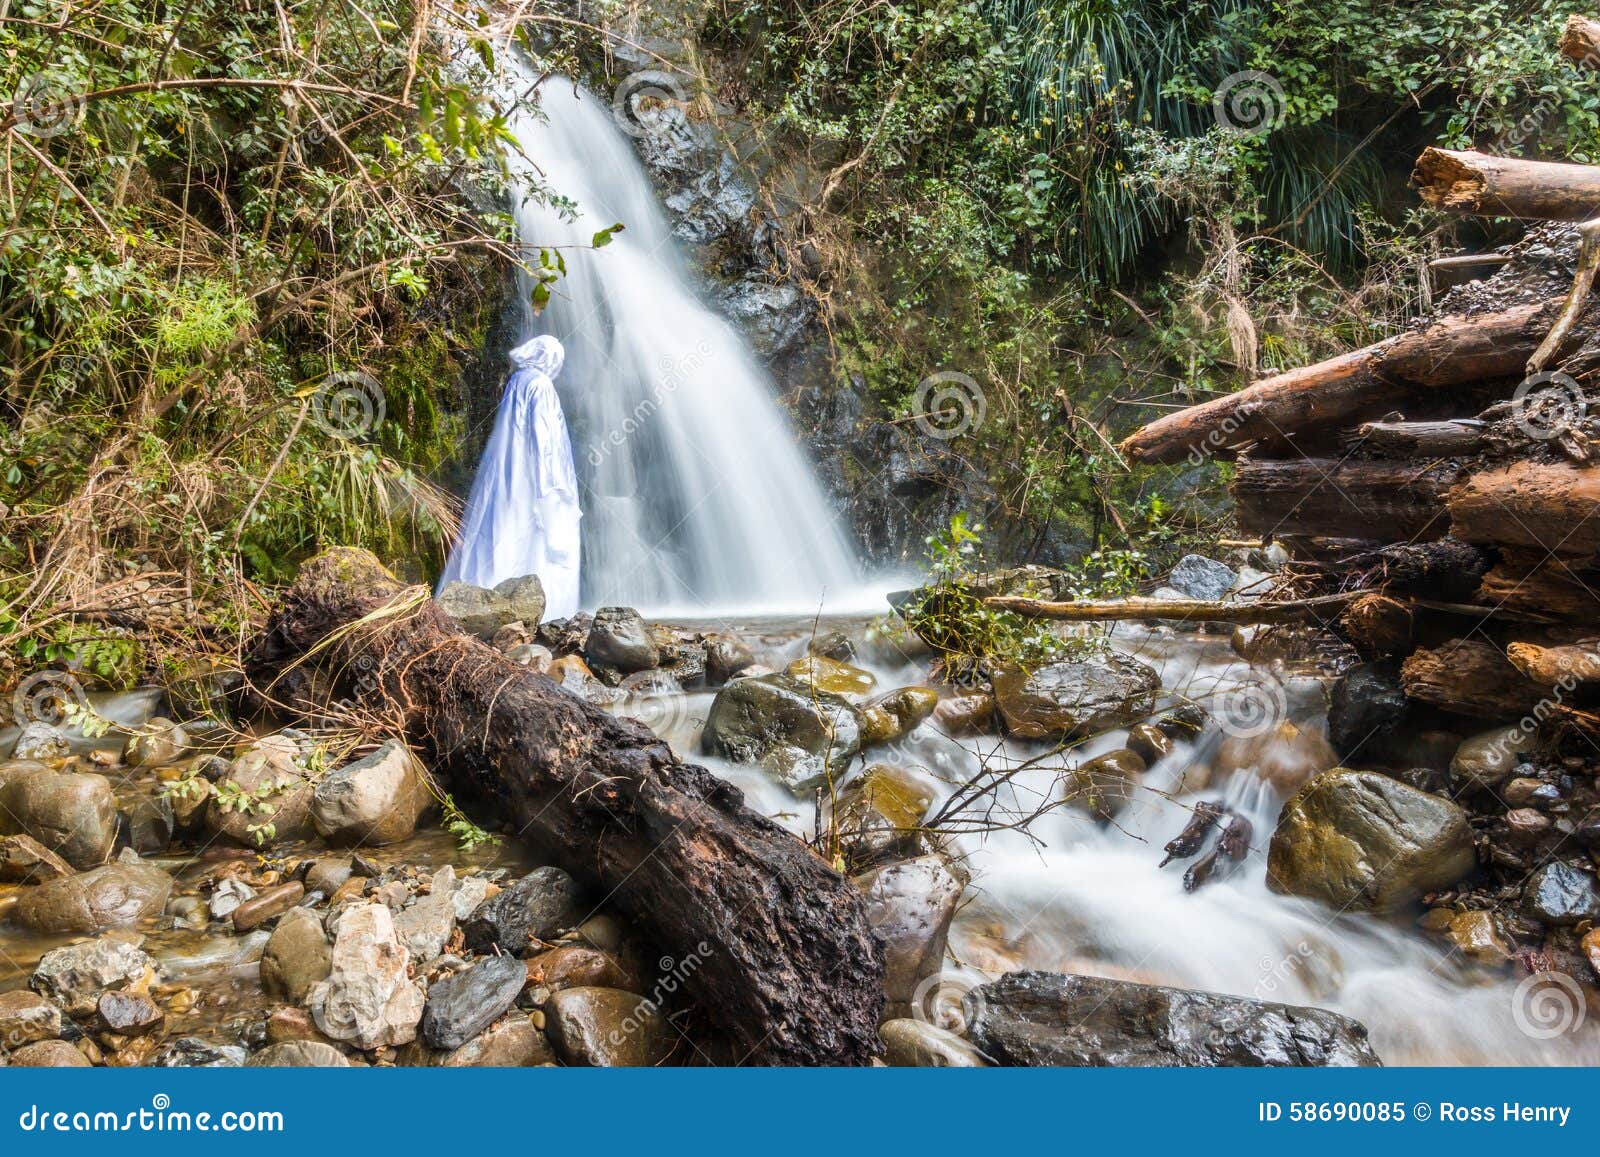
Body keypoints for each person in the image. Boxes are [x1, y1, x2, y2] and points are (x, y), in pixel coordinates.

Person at [438, 335, 581, 619]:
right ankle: (547, 610)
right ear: (549, 358)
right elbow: (544, 439)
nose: (559, 366)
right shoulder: (541, 385)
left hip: (505, 469)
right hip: (531, 474)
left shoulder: (518, 380)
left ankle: (482, 600)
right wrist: (551, 485)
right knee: (532, 531)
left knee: (500, 523)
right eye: (557, 359)